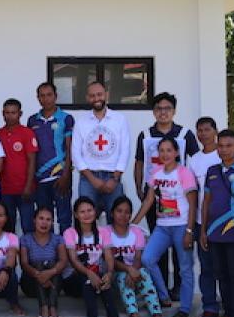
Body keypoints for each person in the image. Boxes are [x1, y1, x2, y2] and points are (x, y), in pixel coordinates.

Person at [133, 93, 199, 300]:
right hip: (156, 199)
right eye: (159, 108)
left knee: (181, 250)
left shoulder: (186, 134)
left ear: (174, 111)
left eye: (167, 108)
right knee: (157, 245)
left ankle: (178, 288)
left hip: (180, 203)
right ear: (153, 111)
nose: (163, 112)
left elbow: (195, 163)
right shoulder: (145, 134)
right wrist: (138, 187)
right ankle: (160, 290)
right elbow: (139, 162)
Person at [133, 137, 198, 317]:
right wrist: (134, 223)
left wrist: (189, 230)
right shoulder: (156, 172)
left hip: (181, 225)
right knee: (147, 258)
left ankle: (185, 309)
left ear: (177, 153)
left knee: (185, 269)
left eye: (169, 150)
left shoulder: (184, 173)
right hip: (162, 226)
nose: (165, 154)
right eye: (162, 150)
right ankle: (163, 296)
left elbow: (193, 204)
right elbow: (149, 201)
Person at [199, 129, 234, 317]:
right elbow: (206, 202)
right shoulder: (212, 171)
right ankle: (228, 316)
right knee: (221, 275)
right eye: (220, 146)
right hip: (214, 234)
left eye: (229, 145)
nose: (224, 150)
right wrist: (202, 230)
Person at [63, 196, 125, 317]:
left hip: (96, 274)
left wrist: (109, 273)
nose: (86, 214)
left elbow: (109, 257)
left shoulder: (103, 232)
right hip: (73, 279)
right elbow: (73, 260)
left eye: (89, 210)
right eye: (82, 211)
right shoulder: (70, 233)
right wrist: (89, 273)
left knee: (105, 283)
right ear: (76, 215)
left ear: (95, 211)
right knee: (88, 280)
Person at [108, 196, 169, 317]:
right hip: (114, 273)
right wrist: (129, 270)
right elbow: (110, 260)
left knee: (144, 274)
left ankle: (157, 316)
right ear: (112, 213)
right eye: (119, 211)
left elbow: (138, 257)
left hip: (134, 271)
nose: (123, 215)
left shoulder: (136, 232)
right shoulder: (106, 232)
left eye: (127, 212)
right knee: (124, 277)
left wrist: (133, 270)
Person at [71, 81, 131, 217]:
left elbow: (125, 150)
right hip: (88, 179)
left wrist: (115, 179)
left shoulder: (120, 119)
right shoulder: (81, 121)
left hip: (113, 177)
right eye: (92, 96)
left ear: (107, 95)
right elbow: (75, 153)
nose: (96, 98)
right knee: (86, 220)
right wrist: (93, 179)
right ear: (87, 98)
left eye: (99, 94)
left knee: (117, 219)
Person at [187, 117, 223, 317]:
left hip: (225, 223)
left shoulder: (225, 155)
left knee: (226, 268)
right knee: (206, 267)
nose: (203, 134)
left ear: (215, 131)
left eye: (207, 130)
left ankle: (231, 307)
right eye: (199, 131)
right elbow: (193, 195)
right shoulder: (195, 160)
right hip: (203, 222)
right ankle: (210, 308)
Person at [29, 82, 75, 233]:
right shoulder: (32, 120)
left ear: (55, 96)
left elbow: (70, 148)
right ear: (38, 98)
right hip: (40, 178)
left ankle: (66, 254)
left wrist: (66, 174)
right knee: (44, 220)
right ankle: (48, 254)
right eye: (42, 95)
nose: (46, 99)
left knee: (64, 218)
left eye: (49, 95)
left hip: (60, 177)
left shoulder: (66, 118)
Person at [19, 206, 69, 317]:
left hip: (53, 283)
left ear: (52, 222)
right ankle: (45, 308)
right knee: (38, 265)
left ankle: (51, 308)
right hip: (31, 284)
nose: (44, 222)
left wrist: (49, 273)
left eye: (48, 219)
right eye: (41, 218)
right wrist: (39, 275)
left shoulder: (58, 239)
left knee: (53, 264)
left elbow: (63, 261)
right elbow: (24, 263)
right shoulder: (25, 239)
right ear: (34, 220)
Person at [0, 98, 39, 234]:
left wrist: (28, 186)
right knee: (8, 227)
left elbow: (32, 161)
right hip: (6, 190)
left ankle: (29, 255)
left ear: (20, 114)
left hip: (25, 190)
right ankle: (11, 255)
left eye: (13, 112)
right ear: (3, 113)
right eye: (7, 112)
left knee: (28, 226)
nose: (10, 116)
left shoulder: (27, 133)